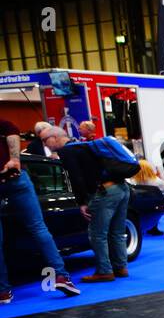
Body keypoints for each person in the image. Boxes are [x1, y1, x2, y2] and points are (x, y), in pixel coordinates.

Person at [0, 122, 80, 303]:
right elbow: (12, 130)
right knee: (38, 228)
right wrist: (15, 160)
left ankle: (3, 291)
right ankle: (61, 276)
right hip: (15, 176)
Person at [56, 131, 141, 283]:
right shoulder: (86, 146)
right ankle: (121, 267)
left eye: (44, 140)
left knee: (97, 234)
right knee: (117, 231)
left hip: (105, 192)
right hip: (122, 187)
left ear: (54, 138)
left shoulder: (68, 151)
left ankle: (104, 271)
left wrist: (81, 202)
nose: (45, 145)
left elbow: (76, 178)